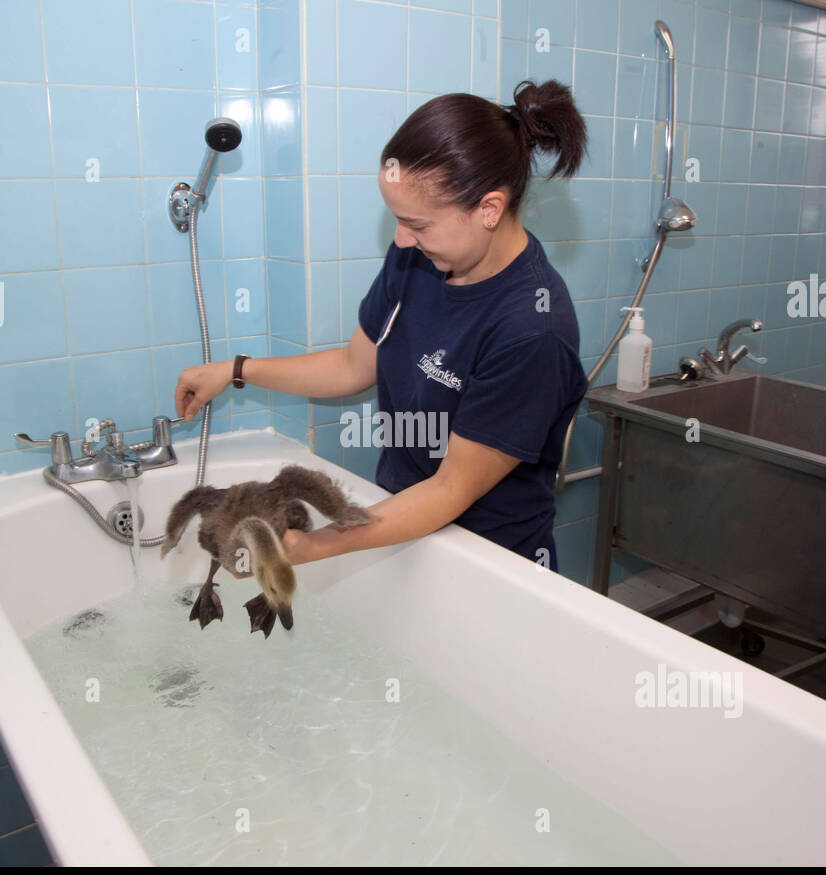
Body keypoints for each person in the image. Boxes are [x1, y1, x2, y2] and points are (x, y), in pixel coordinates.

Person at [174, 79, 588, 572]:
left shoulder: (533, 330)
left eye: (418, 224)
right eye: (397, 219)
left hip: (490, 562)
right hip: (404, 527)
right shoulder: (419, 259)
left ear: (490, 209)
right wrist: (237, 369)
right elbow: (353, 365)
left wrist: (317, 546)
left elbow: (451, 487)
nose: (402, 239)